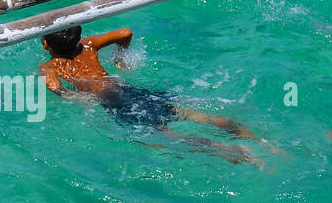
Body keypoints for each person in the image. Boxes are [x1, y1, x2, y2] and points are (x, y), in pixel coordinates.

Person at [39, 25, 263, 163]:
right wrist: (120, 58)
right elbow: (125, 33)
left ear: (46, 43)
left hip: (114, 103)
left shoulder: (51, 65)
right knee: (187, 114)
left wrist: (75, 98)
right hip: (128, 89)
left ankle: (233, 151)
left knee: (165, 138)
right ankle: (255, 138)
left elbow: (54, 87)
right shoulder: (88, 45)